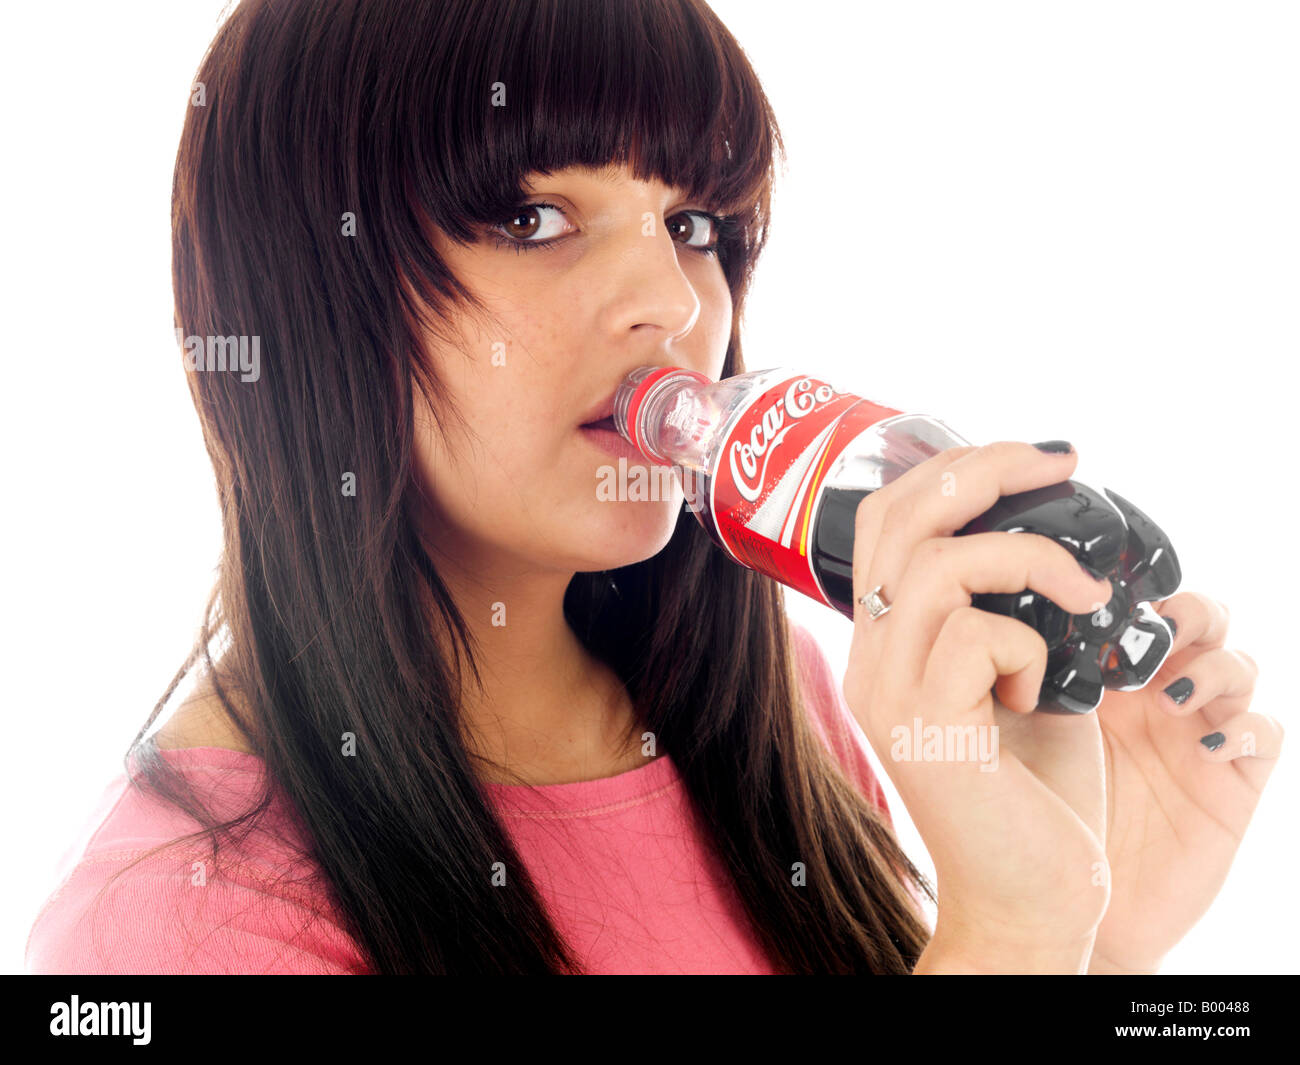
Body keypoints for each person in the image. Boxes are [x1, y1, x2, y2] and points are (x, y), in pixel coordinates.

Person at [26, 0, 1280, 975]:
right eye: (529, 217)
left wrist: (1092, 933)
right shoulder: (176, 929)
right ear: (295, 291)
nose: (675, 308)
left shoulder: (775, 696)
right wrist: (1004, 938)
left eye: (693, 224)